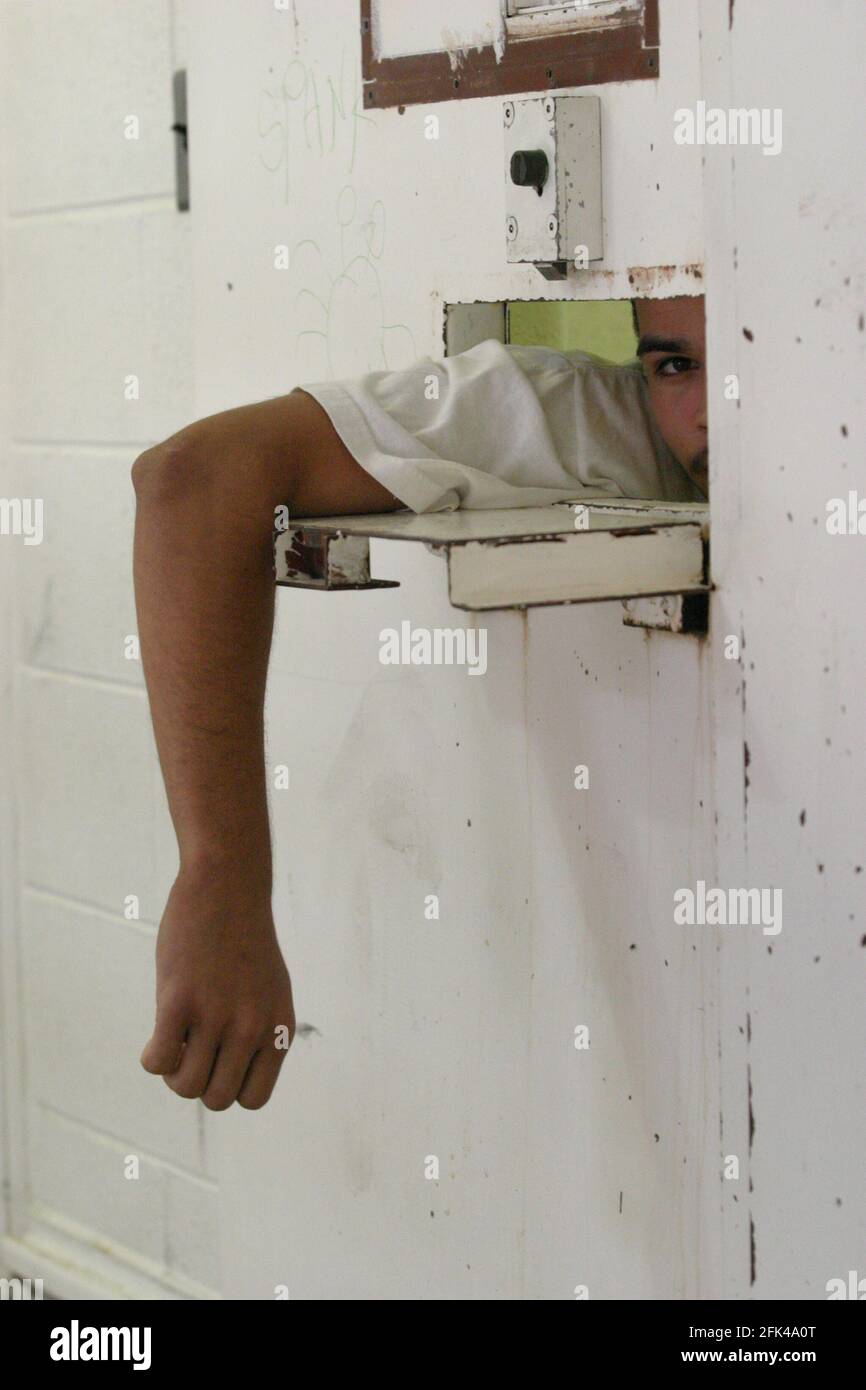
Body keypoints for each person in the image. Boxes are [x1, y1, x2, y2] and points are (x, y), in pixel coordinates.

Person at [131, 293, 707, 1111]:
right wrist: (221, 876)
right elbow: (194, 477)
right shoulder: (602, 423)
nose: (715, 407)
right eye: (677, 364)